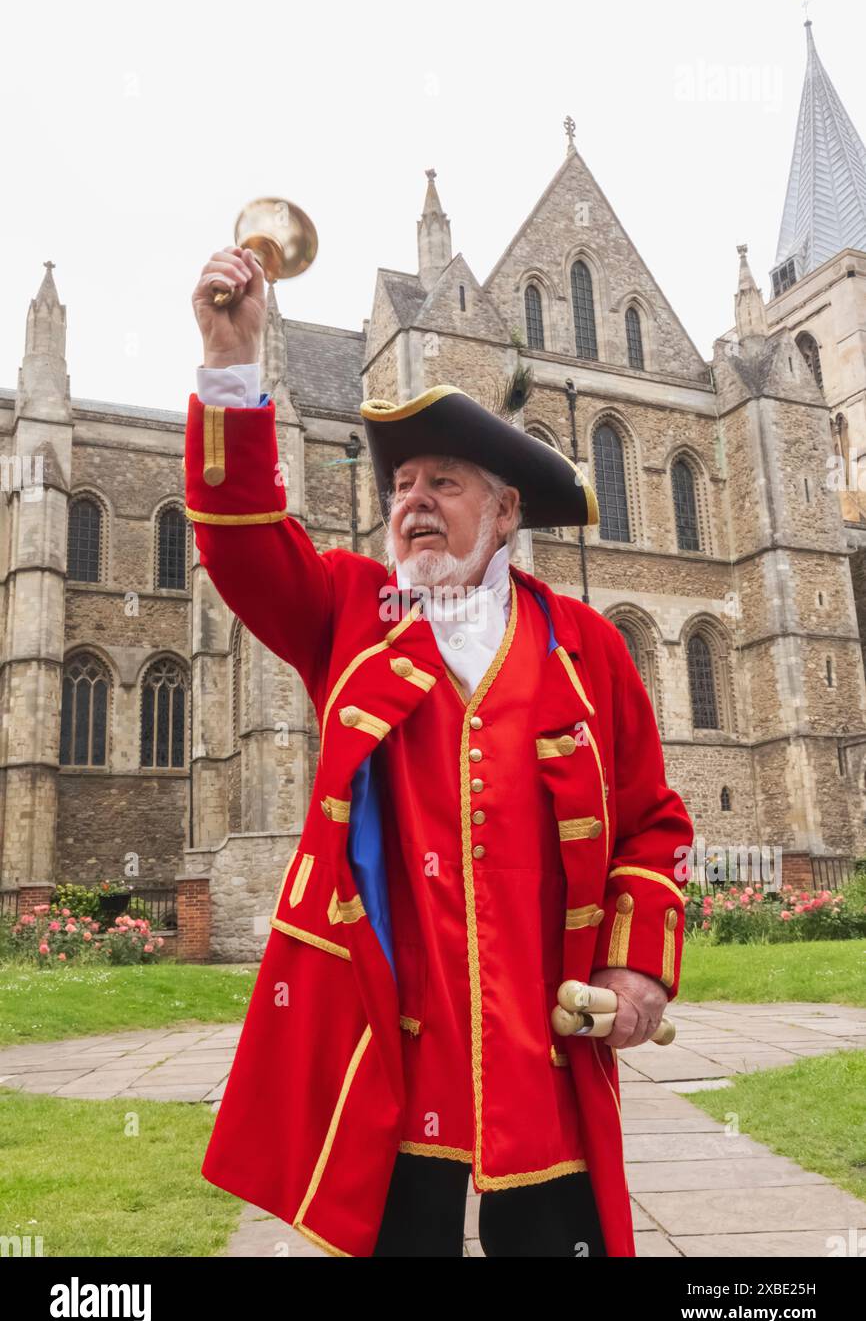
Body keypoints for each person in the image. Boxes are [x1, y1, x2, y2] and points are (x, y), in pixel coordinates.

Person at [187, 245, 694, 1257]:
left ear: (504, 512)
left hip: (540, 1070)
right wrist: (231, 367)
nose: (412, 499)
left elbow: (652, 824)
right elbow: (241, 541)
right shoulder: (346, 612)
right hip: (389, 1067)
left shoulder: (584, 646)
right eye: (401, 483)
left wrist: (637, 974)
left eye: (443, 481)